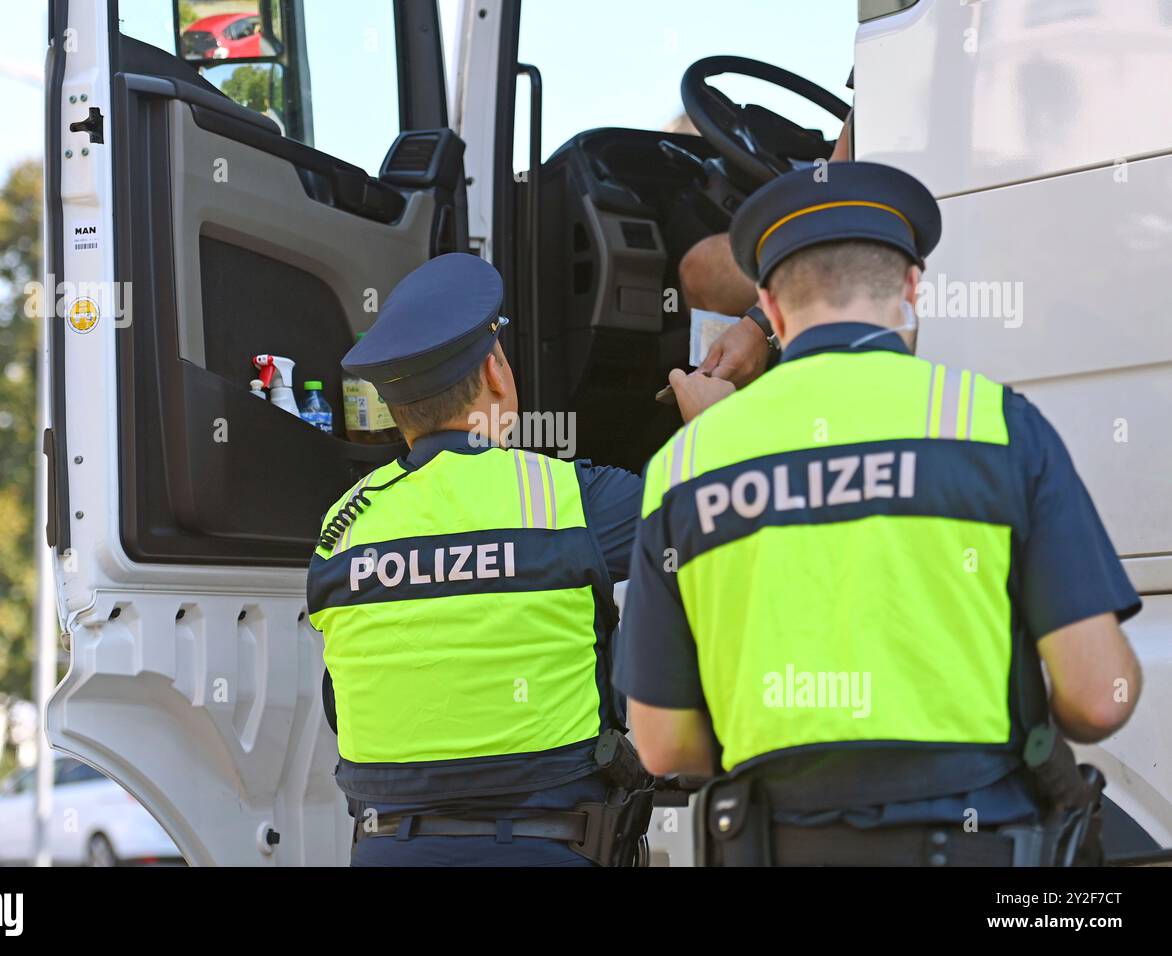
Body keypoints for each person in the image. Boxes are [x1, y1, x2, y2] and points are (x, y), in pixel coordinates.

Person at [615, 161, 1144, 866]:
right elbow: (1099, 698)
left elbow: (661, 744)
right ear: (912, 290)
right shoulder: (994, 426)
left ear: (769, 310)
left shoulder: (686, 466)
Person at [306, 253, 652, 866]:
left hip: (386, 853)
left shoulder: (343, 526)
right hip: (549, 850)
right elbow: (712, 512)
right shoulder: (568, 498)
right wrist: (714, 418)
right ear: (496, 370)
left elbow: (341, 699)